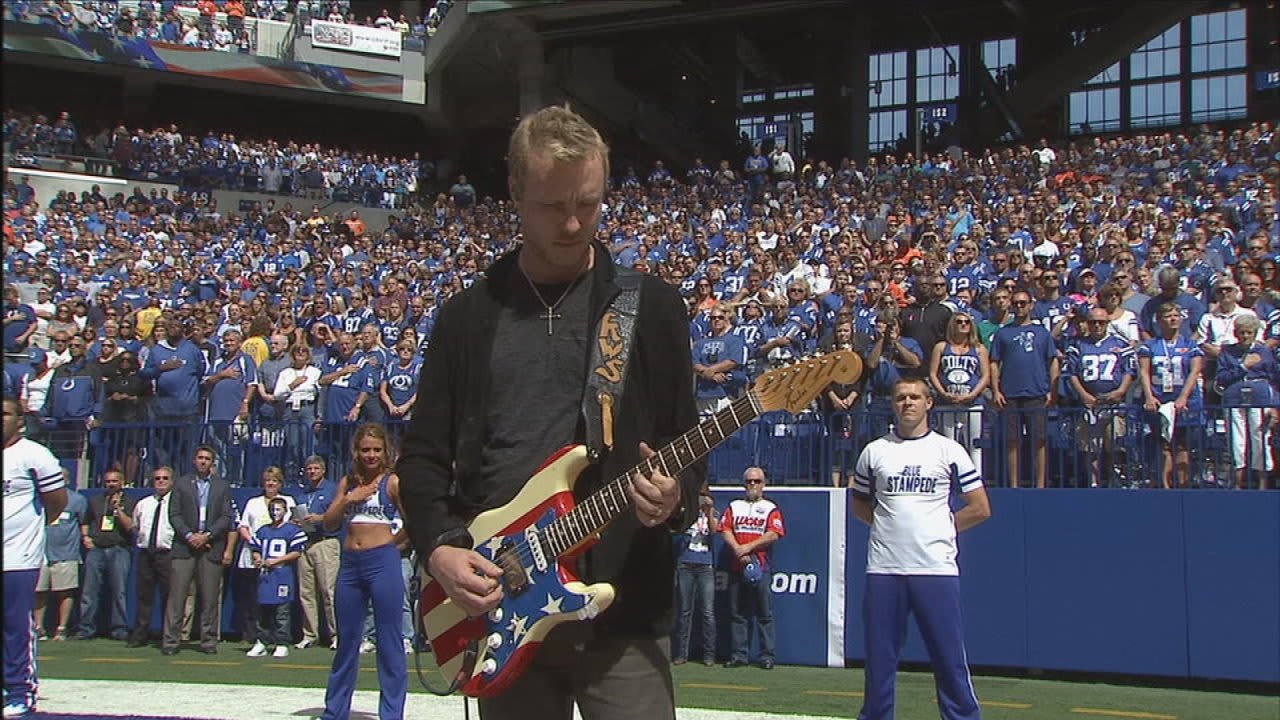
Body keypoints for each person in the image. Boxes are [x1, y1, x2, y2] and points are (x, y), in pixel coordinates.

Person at [396, 104, 702, 720]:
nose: (571, 223)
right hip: (500, 606)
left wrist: (676, 498)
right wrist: (441, 548)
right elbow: (424, 458)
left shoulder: (652, 308)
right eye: (551, 205)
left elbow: (683, 438)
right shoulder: (467, 318)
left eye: (588, 203)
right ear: (513, 191)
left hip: (623, 612)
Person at [850, 376, 991, 720]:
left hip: (935, 569)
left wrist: (940, 529)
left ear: (929, 403)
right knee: (879, 661)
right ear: (893, 404)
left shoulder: (948, 450)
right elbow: (859, 505)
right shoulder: (875, 451)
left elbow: (980, 508)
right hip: (885, 569)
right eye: (901, 397)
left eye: (915, 397)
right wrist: (890, 528)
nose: (908, 403)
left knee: (948, 659)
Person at [316, 424, 408, 720]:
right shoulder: (348, 483)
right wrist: (347, 501)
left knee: (389, 640)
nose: (371, 455)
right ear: (357, 451)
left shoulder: (392, 483)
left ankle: (391, 714)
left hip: (382, 562)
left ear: (385, 452)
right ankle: (334, 712)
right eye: (365, 449)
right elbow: (328, 524)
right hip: (350, 566)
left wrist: (392, 548)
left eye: (376, 450)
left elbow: (415, 522)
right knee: (348, 641)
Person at [4, 396, 68, 719]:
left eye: (5, 414)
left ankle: (20, 690)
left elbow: (56, 501)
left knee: (16, 623)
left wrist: (28, 531)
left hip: (18, 555)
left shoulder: (34, 455)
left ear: (19, 420)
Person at [163, 445, 234, 655]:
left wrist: (207, 535)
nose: (203, 461)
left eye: (207, 458)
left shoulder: (222, 486)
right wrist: (189, 536)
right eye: (200, 458)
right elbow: (174, 514)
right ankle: (170, 641)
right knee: (177, 596)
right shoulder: (182, 484)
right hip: (184, 546)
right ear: (194, 461)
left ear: (213, 462)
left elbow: (225, 516)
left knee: (210, 597)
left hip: (210, 545)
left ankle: (208, 641)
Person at [990, 290, 1059, 488]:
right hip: (1010, 393)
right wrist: (996, 390)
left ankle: (1040, 485)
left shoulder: (1042, 333)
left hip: (1037, 392)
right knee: (1012, 441)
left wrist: (1051, 390)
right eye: (1016, 303)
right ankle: (1014, 484)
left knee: (1039, 440)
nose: (1020, 306)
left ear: (1031, 305)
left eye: (1023, 303)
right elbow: (994, 362)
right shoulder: (1003, 333)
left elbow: (1052, 360)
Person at [719, 466, 784, 670]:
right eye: (749, 481)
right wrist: (739, 549)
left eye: (756, 481)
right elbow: (725, 528)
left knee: (764, 613)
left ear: (764, 484)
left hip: (760, 565)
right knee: (737, 613)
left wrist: (749, 547)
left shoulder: (770, 507)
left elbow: (774, 533)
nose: (753, 485)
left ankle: (767, 656)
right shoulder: (735, 506)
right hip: (737, 565)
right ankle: (739, 654)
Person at [1136, 303, 1205, 489]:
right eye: (1168, 316)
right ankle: (1165, 487)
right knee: (1164, 445)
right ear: (1159, 321)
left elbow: (1194, 371)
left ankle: (1182, 486)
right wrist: (1149, 397)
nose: (1173, 319)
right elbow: (1143, 372)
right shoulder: (1150, 346)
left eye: (1176, 315)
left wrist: (1183, 397)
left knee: (1182, 446)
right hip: (1160, 400)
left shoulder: (1190, 345)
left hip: (1184, 402)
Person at [234, 467, 296, 646]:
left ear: (280, 483)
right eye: (268, 480)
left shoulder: (288, 501)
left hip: (278, 561)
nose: (271, 483)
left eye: (275, 480)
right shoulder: (253, 502)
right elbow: (243, 526)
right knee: (253, 598)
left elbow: (293, 526)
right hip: (255, 557)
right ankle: (252, 636)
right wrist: (257, 547)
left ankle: (279, 637)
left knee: (279, 602)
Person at [77, 468, 136, 641]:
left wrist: (118, 509)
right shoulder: (95, 500)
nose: (111, 484)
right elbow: (86, 521)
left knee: (119, 591)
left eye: (114, 481)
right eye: (108, 481)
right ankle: (85, 628)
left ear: (122, 482)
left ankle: (119, 629)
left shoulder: (130, 501)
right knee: (89, 591)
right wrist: (86, 537)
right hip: (96, 549)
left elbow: (130, 526)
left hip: (119, 549)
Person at [928, 311, 989, 473]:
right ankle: (949, 478)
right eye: (959, 322)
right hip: (947, 402)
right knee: (949, 442)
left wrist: (973, 394)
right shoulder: (941, 347)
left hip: (972, 403)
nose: (963, 324)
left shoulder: (979, 349)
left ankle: (976, 479)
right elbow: (933, 373)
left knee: (974, 443)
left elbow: (985, 376)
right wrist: (942, 393)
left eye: (966, 322)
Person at [247, 497, 307, 658]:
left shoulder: (292, 530)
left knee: (282, 611)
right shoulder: (263, 530)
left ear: (286, 511)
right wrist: (258, 558)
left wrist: (277, 561)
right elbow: (255, 547)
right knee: (262, 610)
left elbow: (296, 552)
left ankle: (282, 642)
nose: (275, 513)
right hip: (265, 576)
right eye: (272, 509)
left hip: (282, 574)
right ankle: (262, 642)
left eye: (278, 509)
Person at [294, 456, 340, 650]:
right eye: (309, 469)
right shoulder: (304, 493)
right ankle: (309, 634)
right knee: (306, 593)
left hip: (325, 542)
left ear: (323, 470)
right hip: (306, 542)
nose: (312, 472)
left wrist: (320, 518)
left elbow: (340, 514)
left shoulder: (331, 490)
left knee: (329, 591)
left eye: (315, 469)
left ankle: (336, 634)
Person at [128, 467, 175, 648]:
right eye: (157, 478)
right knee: (144, 596)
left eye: (165, 478)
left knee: (168, 596)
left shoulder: (176, 504)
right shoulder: (143, 504)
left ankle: (167, 636)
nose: (161, 481)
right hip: (146, 554)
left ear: (172, 481)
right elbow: (136, 527)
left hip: (167, 554)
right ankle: (140, 635)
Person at [672, 483, 718, 667]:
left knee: (708, 612)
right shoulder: (686, 512)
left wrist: (708, 511)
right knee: (684, 611)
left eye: (704, 494)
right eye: (698, 494)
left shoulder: (712, 512)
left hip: (705, 565)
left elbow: (715, 532)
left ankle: (709, 655)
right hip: (685, 564)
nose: (701, 498)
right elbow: (676, 529)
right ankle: (681, 653)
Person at [34, 484, 86, 643]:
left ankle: (62, 628)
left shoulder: (77, 500)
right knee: (39, 592)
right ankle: (38, 628)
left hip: (66, 554)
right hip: (40, 554)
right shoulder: (38, 499)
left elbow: (83, 523)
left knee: (65, 592)